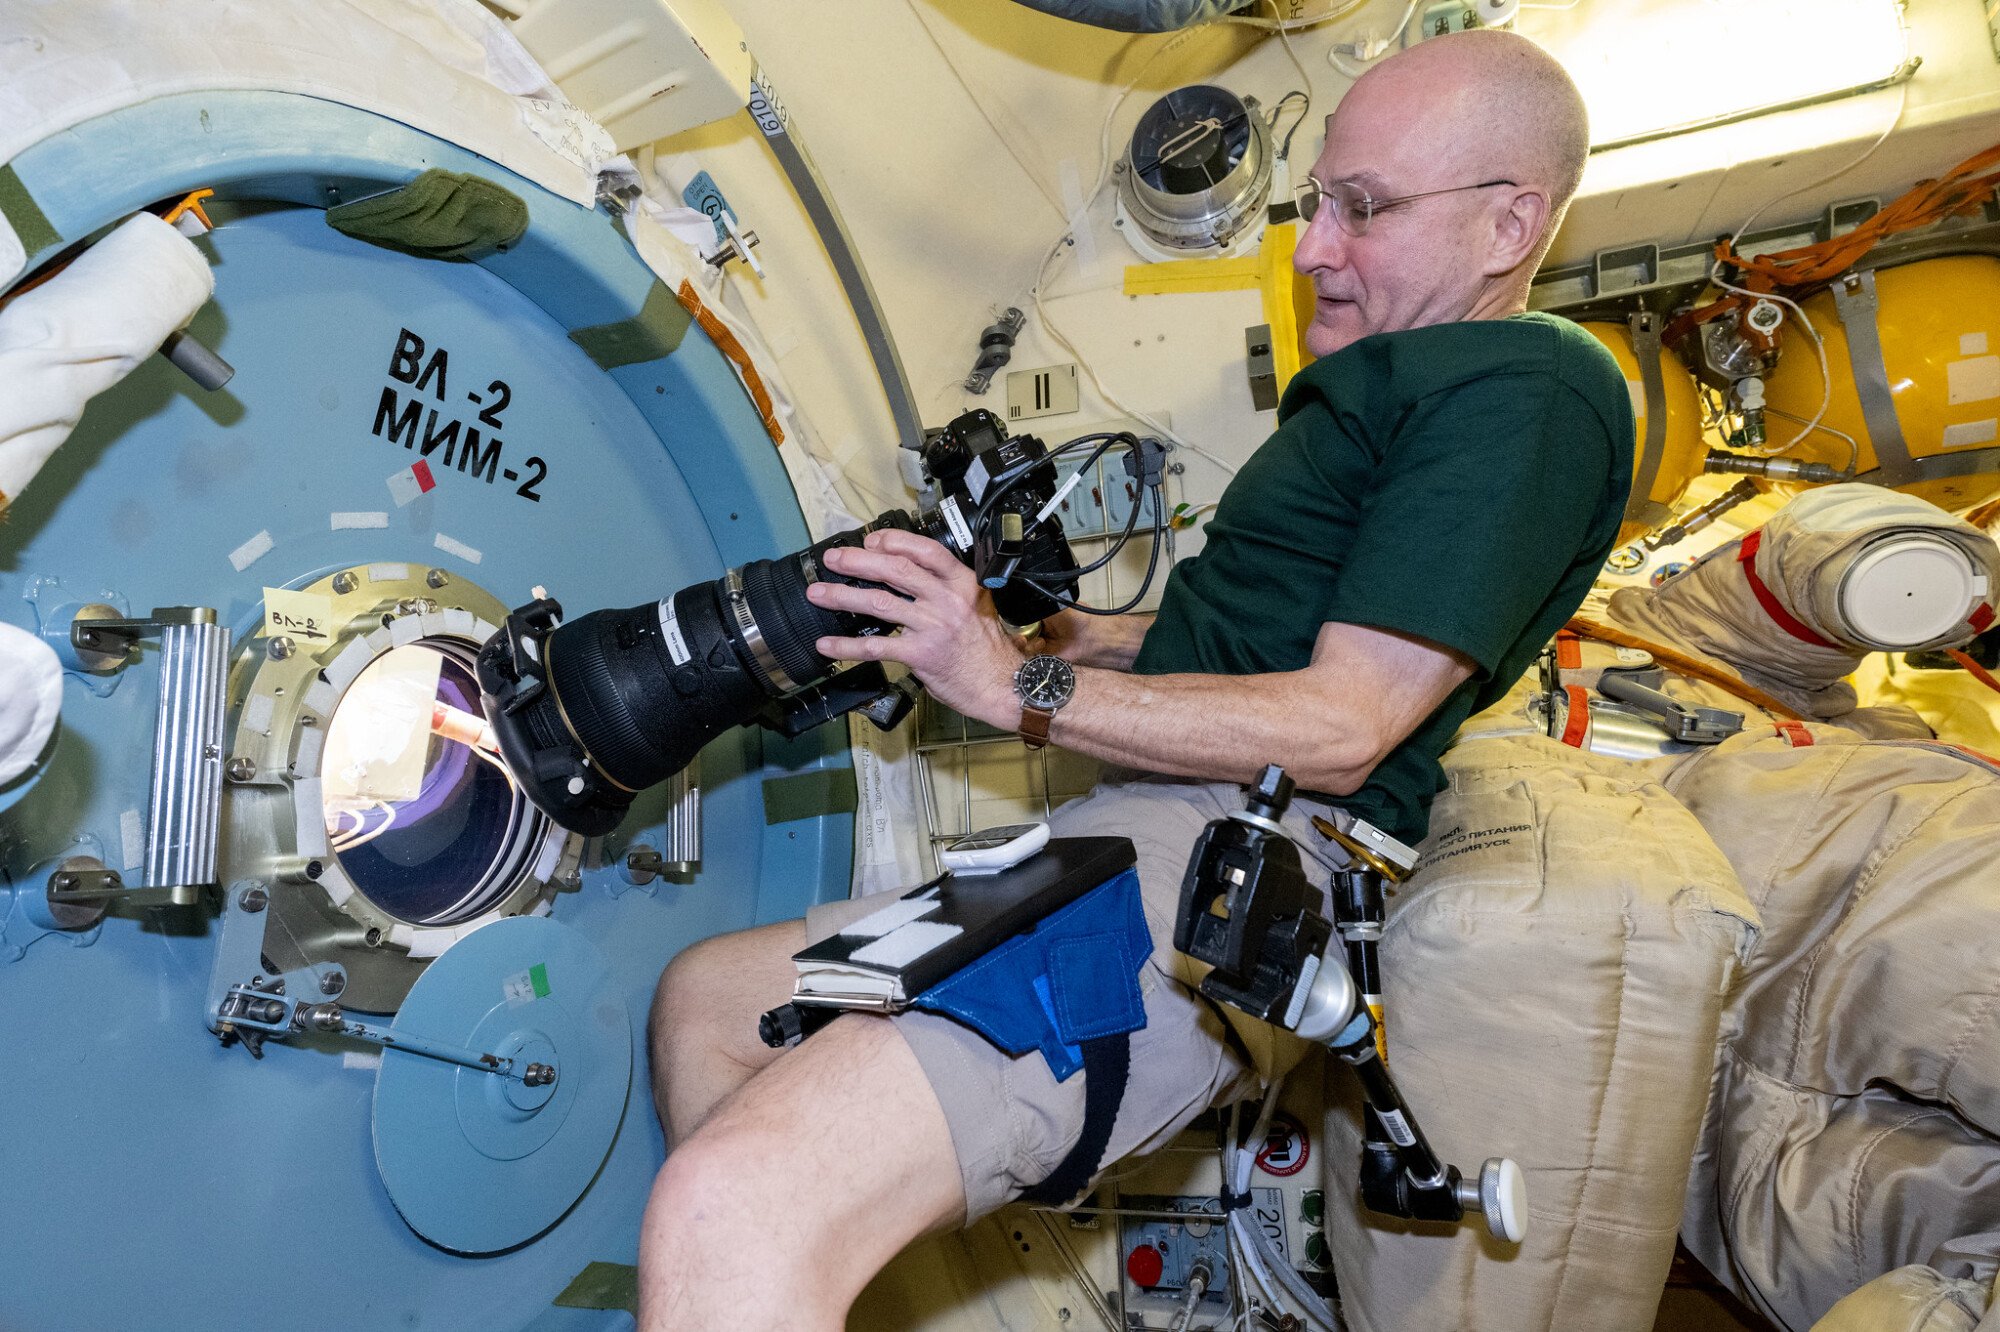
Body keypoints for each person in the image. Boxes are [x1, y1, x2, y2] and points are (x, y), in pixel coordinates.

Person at [638, 28, 1632, 1330]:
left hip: (1211, 876)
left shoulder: (1531, 387)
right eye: (1317, 200)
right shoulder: (1382, 390)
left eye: (1364, 210)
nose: (1315, 246)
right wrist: (1046, 639)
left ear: (1510, 225)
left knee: (735, 1203)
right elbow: (1256, 643)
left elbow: (1342, 724)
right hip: (1108, 851)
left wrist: (1013, 691)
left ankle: (764, 1241)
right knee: (713, 1002)